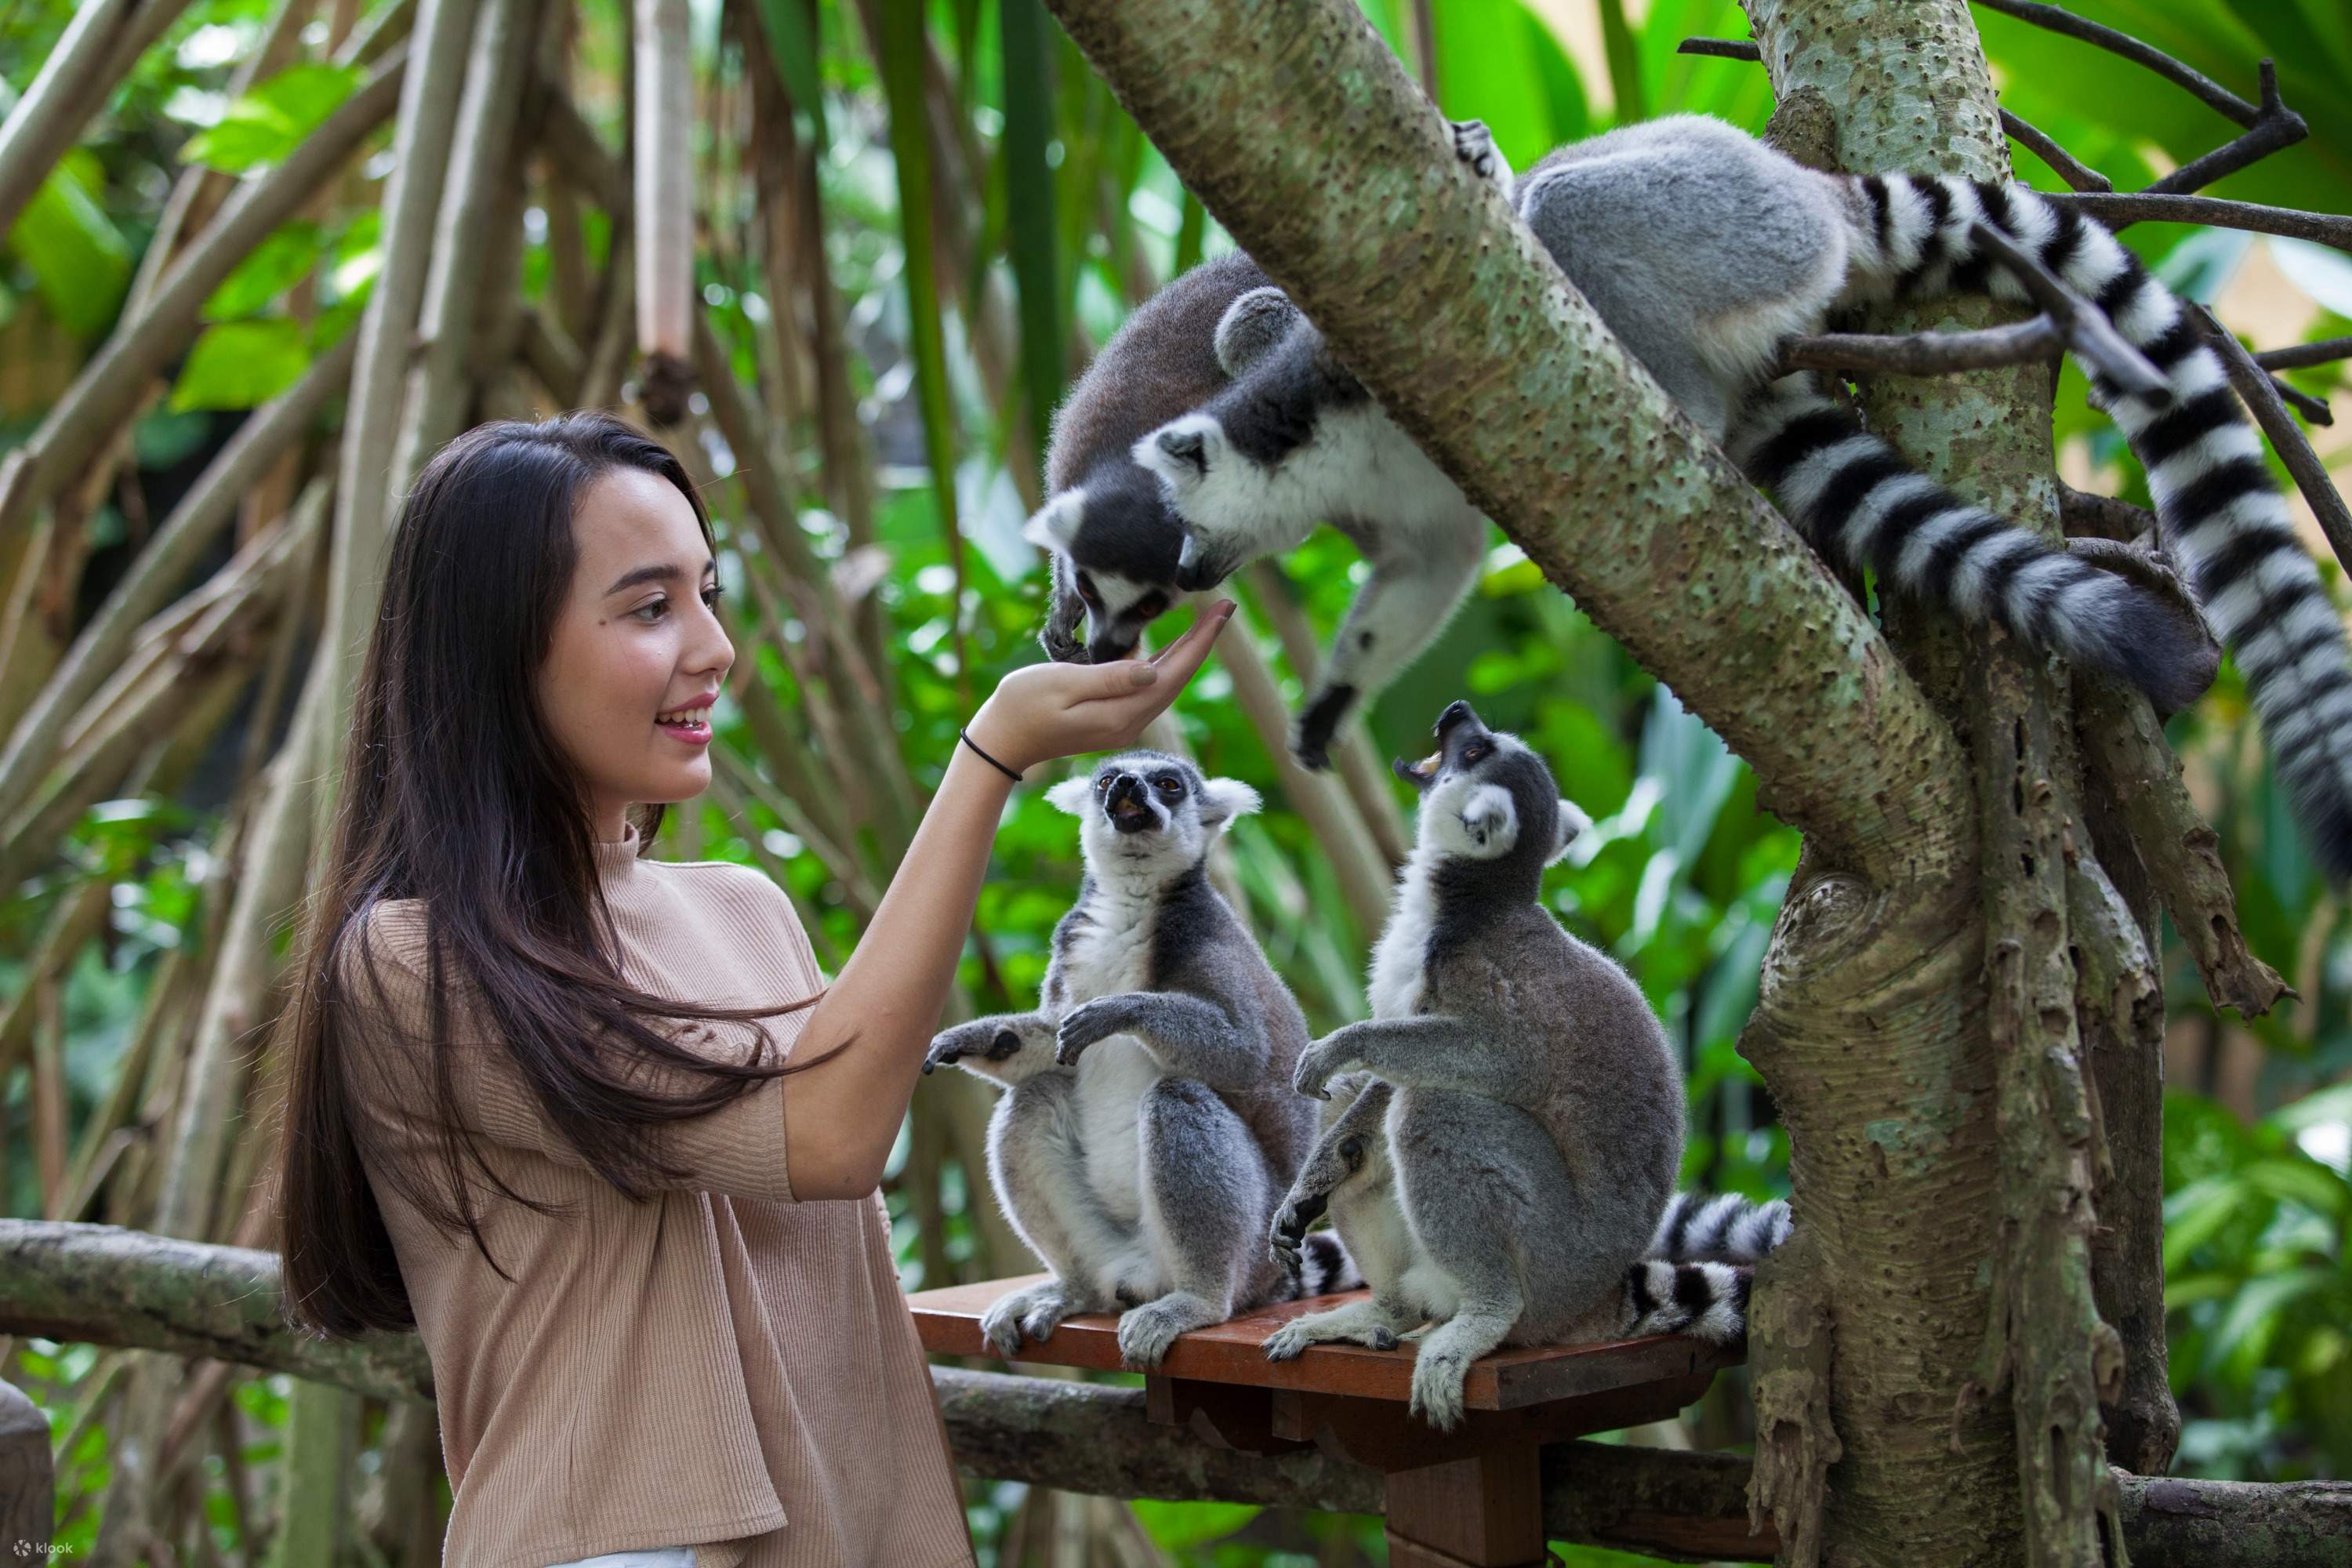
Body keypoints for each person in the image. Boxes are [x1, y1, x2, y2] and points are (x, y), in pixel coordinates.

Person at [270, 411, 1235, 1568]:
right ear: (497, 650)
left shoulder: (740, 909)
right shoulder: (413, 962)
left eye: (708, 593)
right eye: (647, 607)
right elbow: (827, 1134)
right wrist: (990, 760)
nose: (715, 647)